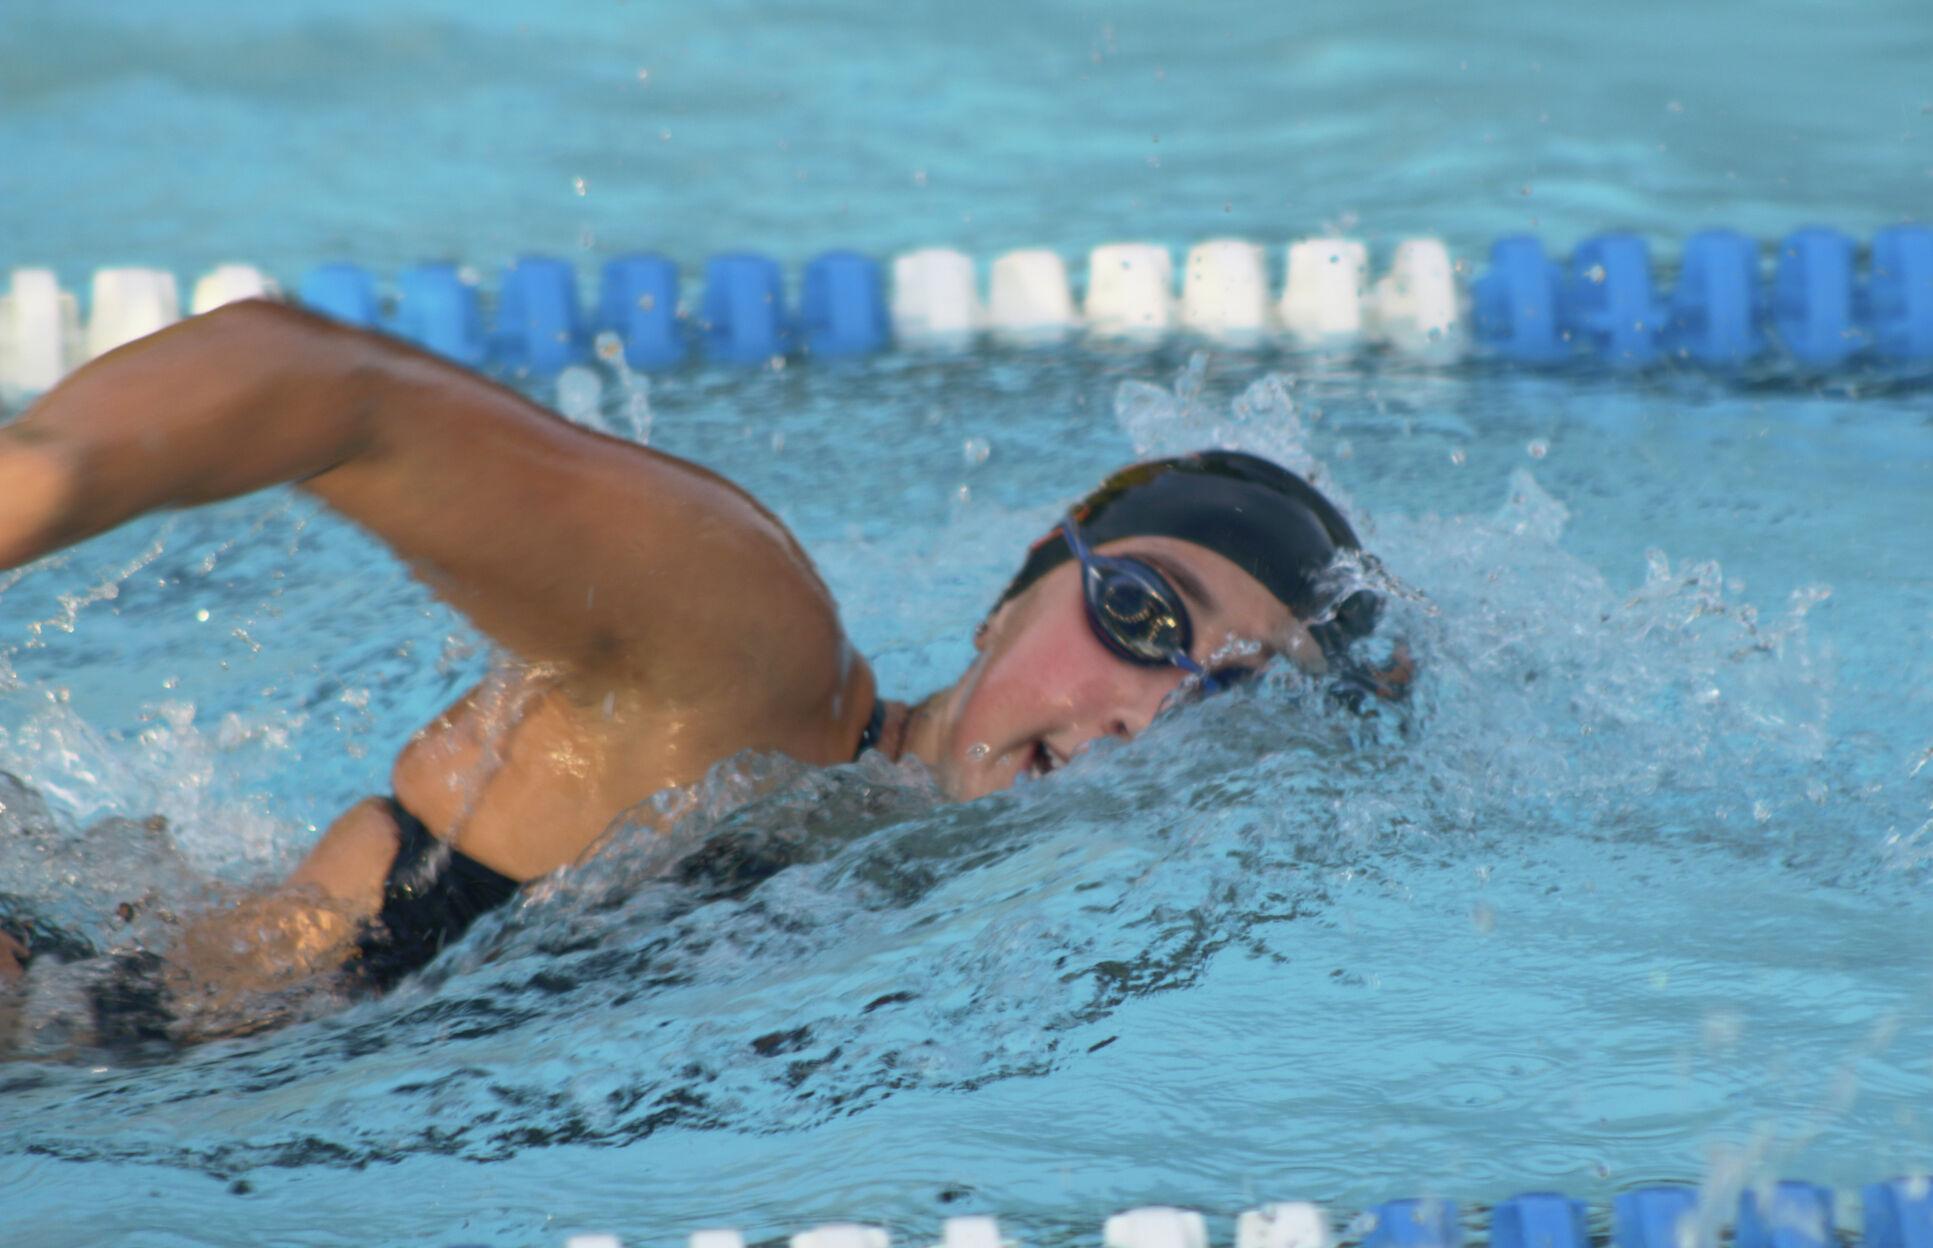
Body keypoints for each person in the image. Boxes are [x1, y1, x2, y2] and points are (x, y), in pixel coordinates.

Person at [0, 299, 1407, 1023]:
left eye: (1232, 702)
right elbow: (324, 386)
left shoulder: (946, 916)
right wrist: (33, 484)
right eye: (1146, 622)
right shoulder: (752, 660)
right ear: (1015, 596)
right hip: (79, 1028)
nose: (1144, 722)